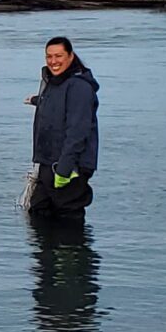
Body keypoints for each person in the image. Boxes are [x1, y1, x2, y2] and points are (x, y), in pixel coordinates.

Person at [25, 36, 100, 220]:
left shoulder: (80, 87)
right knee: (38, 214)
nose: (53, 61)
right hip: (47, 163)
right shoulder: (54, 83)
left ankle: (73, 249)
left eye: (58, 56)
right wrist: (37, 100)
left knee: (68, 220)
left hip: (68, 168)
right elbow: (58, 106)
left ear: (71, 56)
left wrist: (64, 169)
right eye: (49, 56)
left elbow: (78, 131)